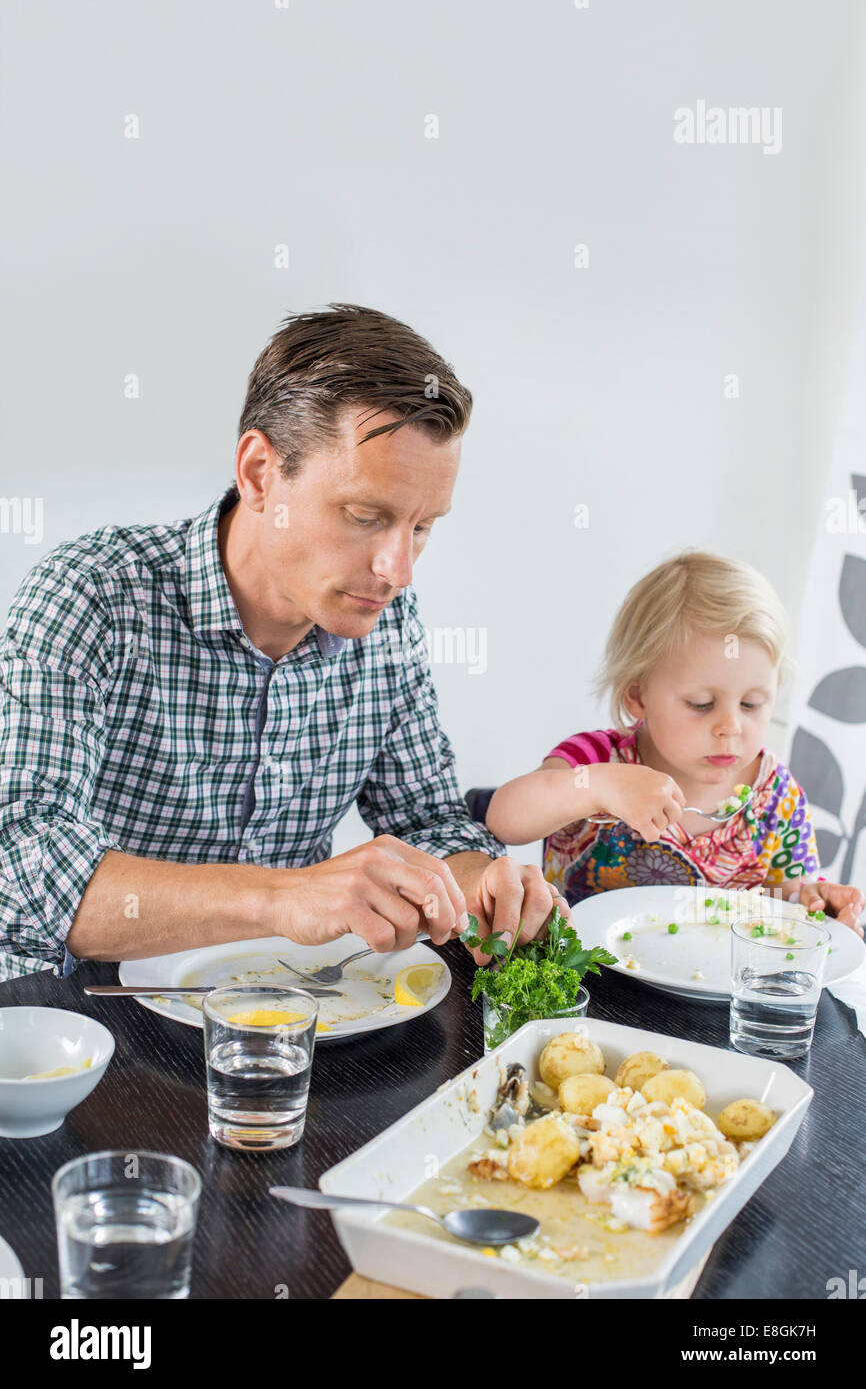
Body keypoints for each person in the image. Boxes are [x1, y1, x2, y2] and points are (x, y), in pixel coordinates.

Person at [0, 304, 567, 980]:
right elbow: (22, 865)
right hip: (74, 1017)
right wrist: (288, 896)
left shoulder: (386, 619)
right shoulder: (91, 595)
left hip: (276, 1013)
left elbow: (427, 819)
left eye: (422, 527)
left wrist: (479, 885)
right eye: (365, 515)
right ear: (261, 474)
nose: (398, 569)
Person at [485, 551, 864, 935]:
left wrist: (818, 908)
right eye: (702, 704)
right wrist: (598, 786)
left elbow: (787, 906)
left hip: (718, 992)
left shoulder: (777, 799)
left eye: (752, 703)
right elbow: (503, 819)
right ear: (638, 695)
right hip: (591, 982)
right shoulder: (598, 760)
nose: (730, 727)